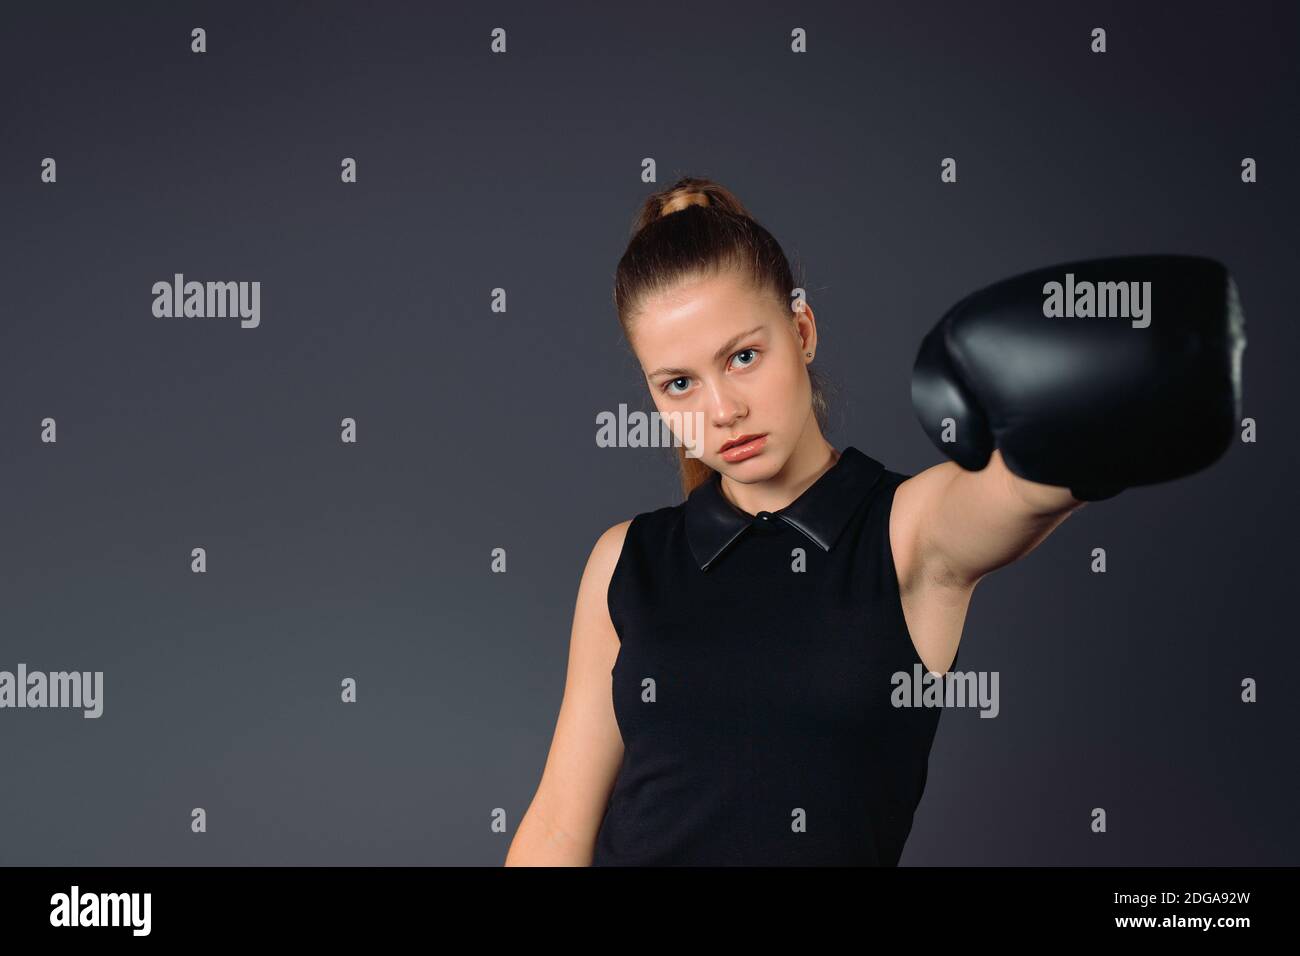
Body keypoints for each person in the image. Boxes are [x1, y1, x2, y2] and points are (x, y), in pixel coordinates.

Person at [504, 177, 1244, 866]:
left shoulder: (905, 530)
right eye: (678, 383)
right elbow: (558, 824)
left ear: (802, 331)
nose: (721, 411)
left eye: (744, 356)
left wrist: (1116, 397)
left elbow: (1024, 488)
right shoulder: (625, 562)